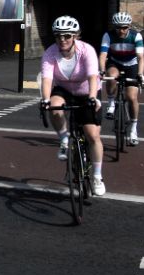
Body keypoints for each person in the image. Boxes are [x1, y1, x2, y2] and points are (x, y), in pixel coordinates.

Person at [39, 15, 105, 197]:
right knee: (54, 106)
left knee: (92, 135)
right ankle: (64, 138)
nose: (62, 40)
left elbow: (93, 76)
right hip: (64, 90)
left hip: (87, 91)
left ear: (75, 36)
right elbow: (47, 79)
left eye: (67, 36)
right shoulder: (50, 53)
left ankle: (97, 177)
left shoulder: (86, 50)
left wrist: (93, 98)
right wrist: (45, 99)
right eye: (58, 36)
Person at [99, 11, 144, 146]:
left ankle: (133, 129)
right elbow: (103, 55)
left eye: (125, 27)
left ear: (129, 26)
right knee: (111, 76)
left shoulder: (136, 36)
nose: (121, 30)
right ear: (114, 27)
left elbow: (141, 57)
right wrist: (102, 70)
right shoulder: (108, 36)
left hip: (131, 65)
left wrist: (140, 74)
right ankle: (111, 103)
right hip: (115, 62)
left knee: (132, 97)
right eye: (118, 27)